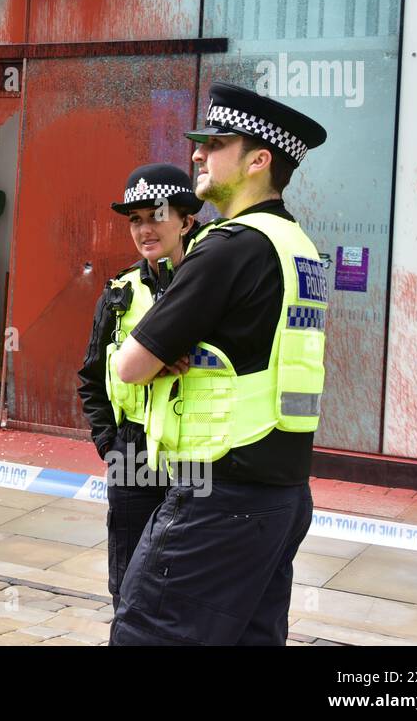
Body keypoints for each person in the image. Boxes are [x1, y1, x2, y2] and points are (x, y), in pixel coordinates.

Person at [109, 82, 329, 646]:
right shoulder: (297, 245)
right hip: (281, 491)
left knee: (149, 633)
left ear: (259, 160)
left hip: (219, 492)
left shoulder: (229, 244)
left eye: (215, 142)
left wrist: (157, 358)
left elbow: (131, 364)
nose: (198, 154)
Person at [77, 164, 201, 617]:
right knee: (128, 581)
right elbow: (91, 377)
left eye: (157, 216)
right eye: (135, 219)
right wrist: (110, 445)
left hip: (197, 451)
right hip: (133, 452)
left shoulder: (211, 284)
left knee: (191, 578)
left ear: (187, 221)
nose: (145, 229)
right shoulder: (118, 293)